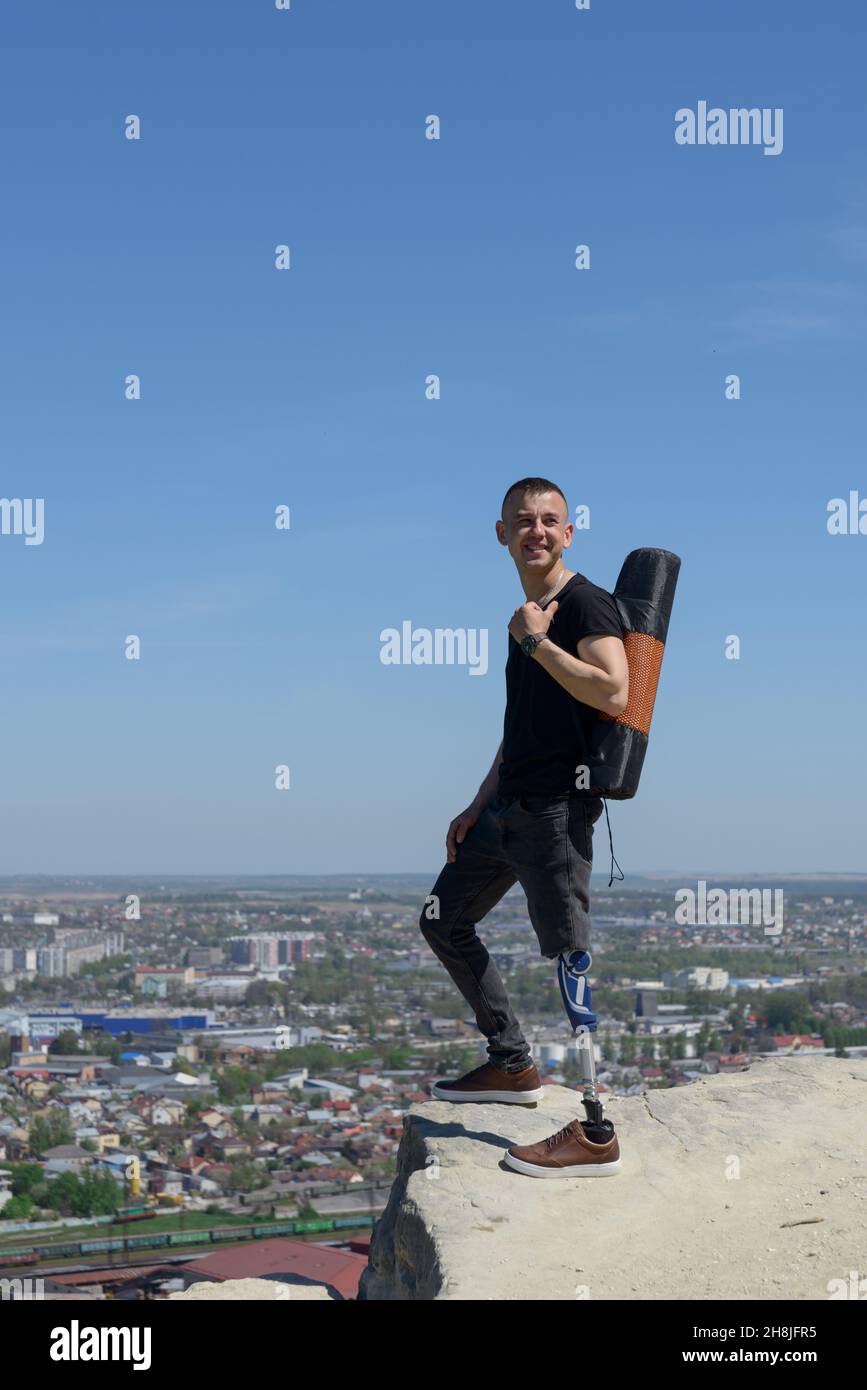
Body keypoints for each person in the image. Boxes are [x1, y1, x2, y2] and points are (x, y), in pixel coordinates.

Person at [419, 476, 628, 1176]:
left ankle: (595, 1133)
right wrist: (479, 799)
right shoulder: (529, 612)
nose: (536, 531)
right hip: (508, 805)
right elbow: (520, 727)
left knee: (567, 952)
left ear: (568, 533)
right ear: (502, 533)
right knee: (441, 919)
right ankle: (512, 1065)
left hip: (555, 811)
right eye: (523, 521)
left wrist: (539, 643)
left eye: (550, 521)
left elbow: (612, 688)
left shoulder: (581, 604)